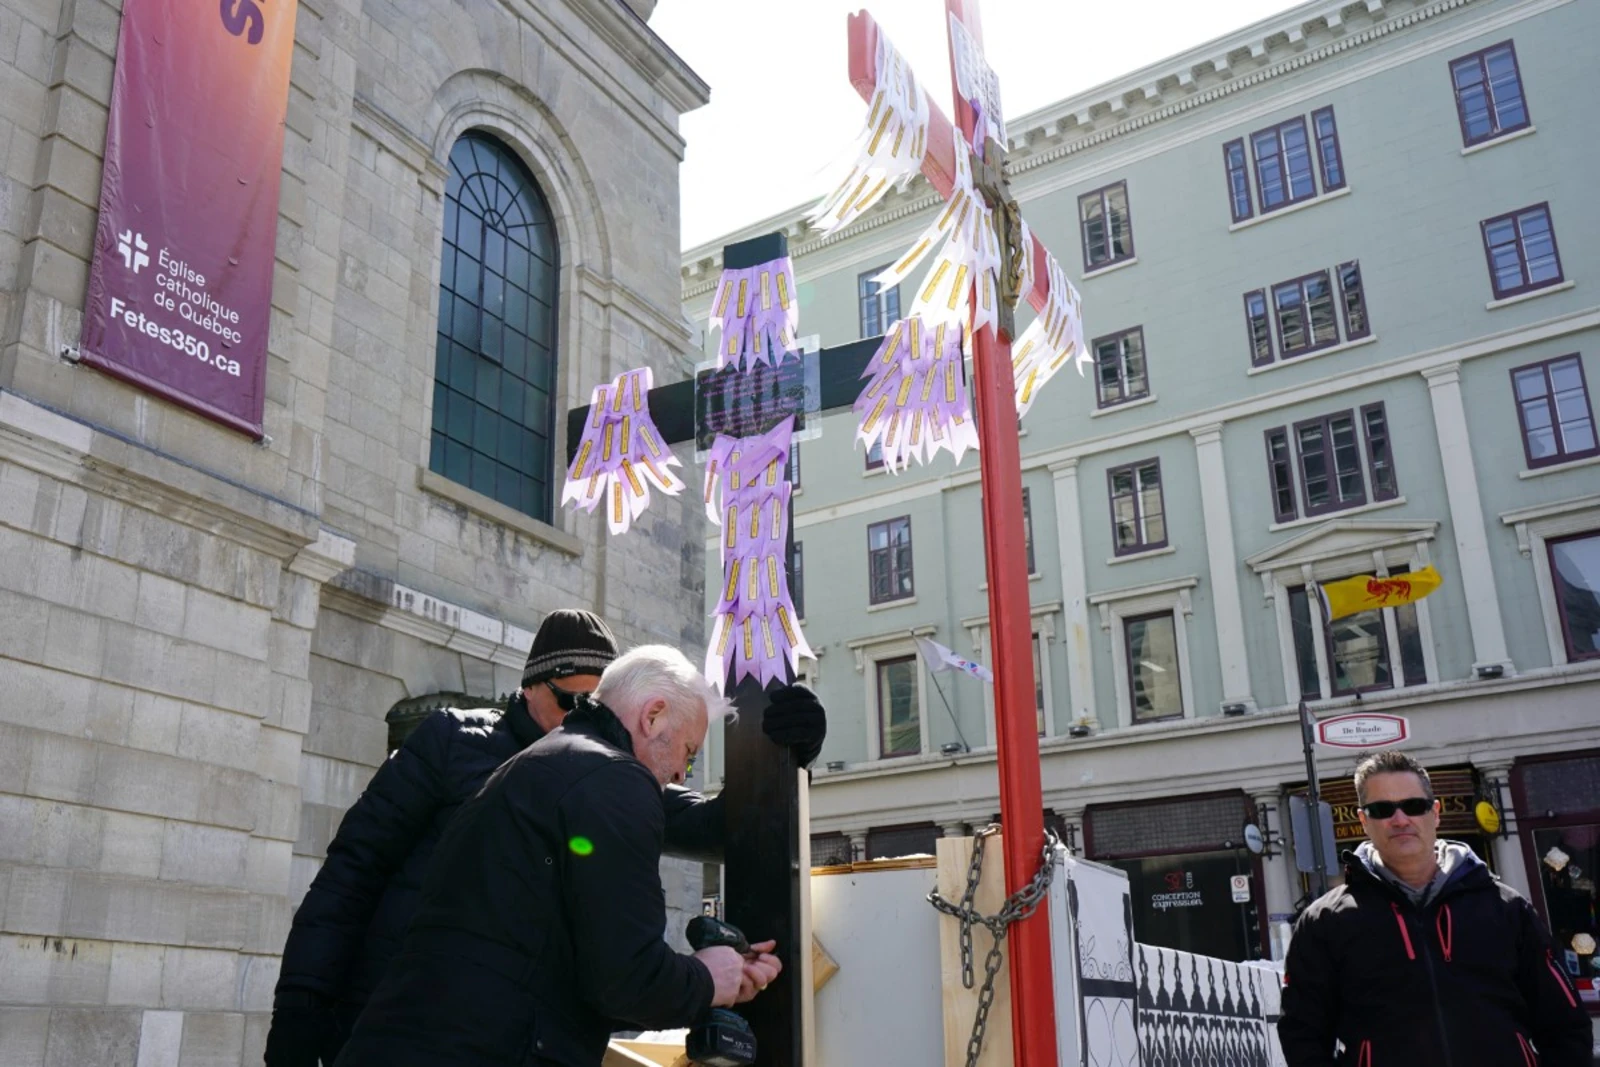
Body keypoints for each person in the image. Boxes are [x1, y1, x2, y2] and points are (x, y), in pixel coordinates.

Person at [266, 610, 825, 1066]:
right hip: (420, 1021)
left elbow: (716, 825)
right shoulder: (478, 748)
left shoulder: (602, 770)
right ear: (531, 685)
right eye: (569, 701)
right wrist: (302, 1003)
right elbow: (351, 874)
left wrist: (783, 754)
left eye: (593, 702)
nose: (577, 716)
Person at [1278, 750, 1591, 1067]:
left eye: (1413, 806)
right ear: (1364, 820)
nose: (1400, 820)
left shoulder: (1506, 908)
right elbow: (1302, 1037)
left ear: (1435, 812)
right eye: (1382, 809)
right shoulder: (1324, 922)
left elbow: (1565, 1026)